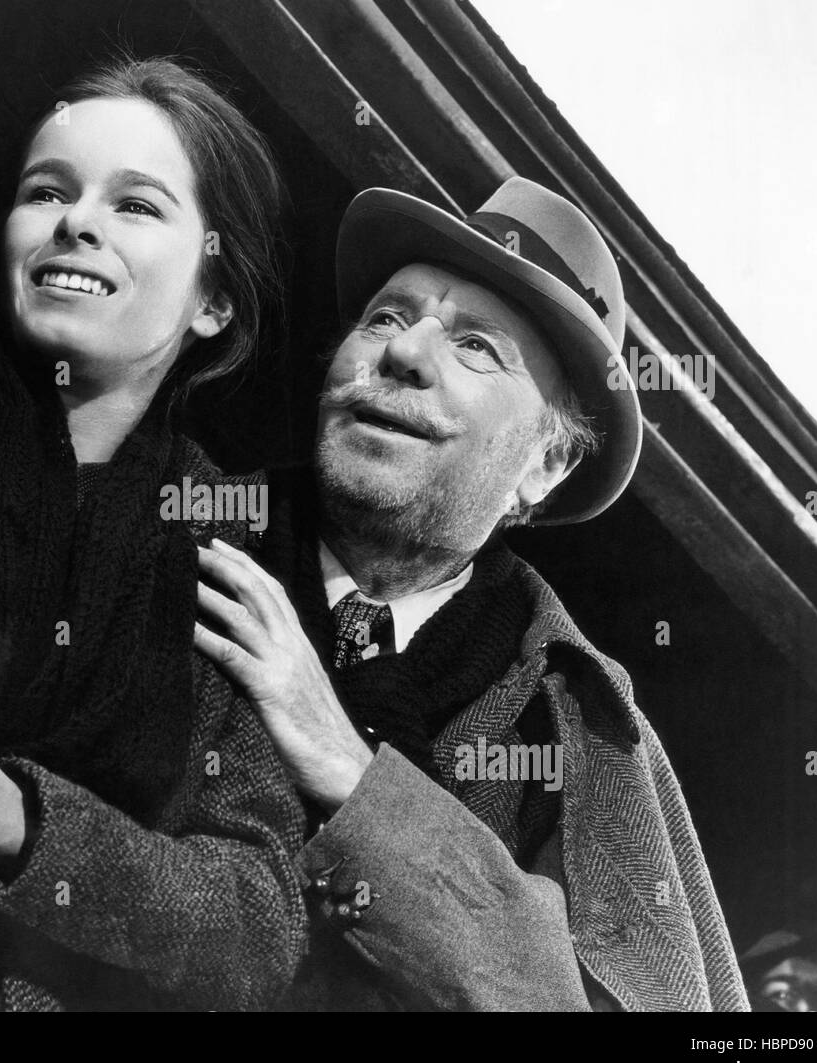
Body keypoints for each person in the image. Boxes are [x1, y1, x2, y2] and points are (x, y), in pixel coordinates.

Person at [194, 178, 751, 1010]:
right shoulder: (176, 539)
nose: (405, 353)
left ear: (544, 467)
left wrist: (352, 774)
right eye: (385, 316)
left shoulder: (581, 723)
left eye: (478, 347)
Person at [0, 57, 309, 1011]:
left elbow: (259, 926)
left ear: (215, 301)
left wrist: (25, 822)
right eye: (46, 190)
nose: (75, 221)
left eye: (137, 206)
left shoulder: (227, 550)